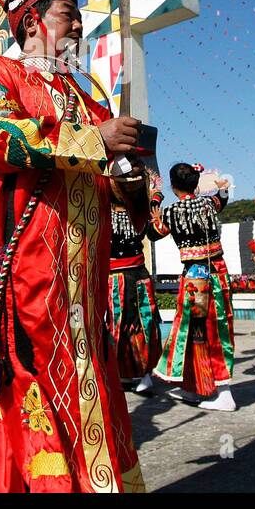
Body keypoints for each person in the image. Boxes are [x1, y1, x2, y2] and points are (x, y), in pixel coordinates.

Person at [0, 0, 145, 492]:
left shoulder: (88, 96)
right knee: (41, 393)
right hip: (29, 284)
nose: (80, 24)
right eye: (68, 12)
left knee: (90, 390)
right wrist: (89, 142)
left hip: (84, 289)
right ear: (32, 20)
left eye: (79, 14)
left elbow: (98, 183)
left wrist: (127, 185)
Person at [152, 163, 237, 411]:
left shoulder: (171, 212)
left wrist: (152, 204)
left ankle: (223, 393)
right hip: (218, 273)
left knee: (198, 330)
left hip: (195, 280)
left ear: (173, 185)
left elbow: (154, 232)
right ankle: (197, 385)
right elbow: (222, 198)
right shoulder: (208, 204)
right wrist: (222, 188)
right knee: (215, 328)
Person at [107, 163, 162, 394]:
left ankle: (128, 373)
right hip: (138, 274)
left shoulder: (101, 211)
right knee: (141, 322)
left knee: (120, 324)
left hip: (118, 277)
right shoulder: (142, 211)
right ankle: (139, 374)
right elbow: (156, 233)